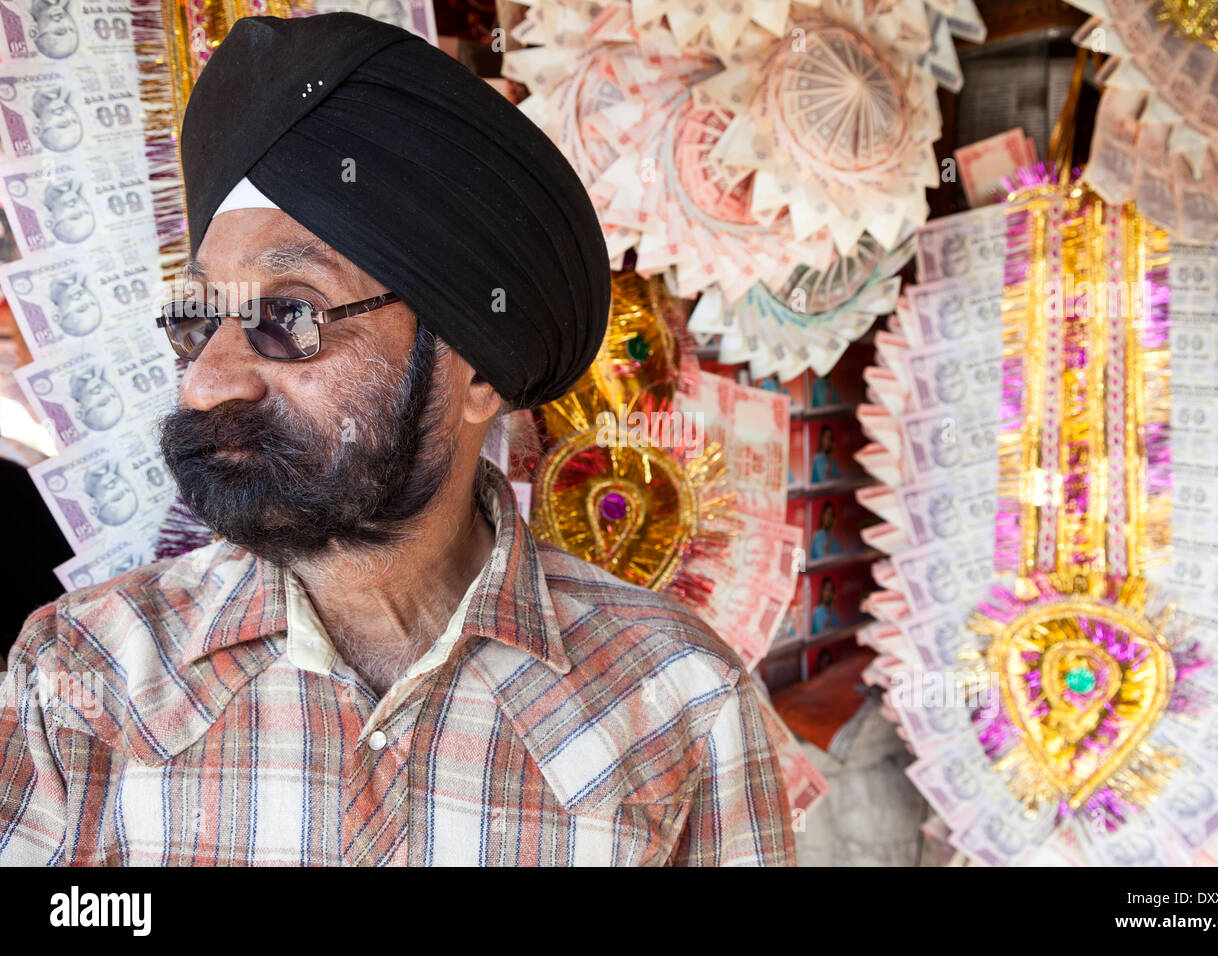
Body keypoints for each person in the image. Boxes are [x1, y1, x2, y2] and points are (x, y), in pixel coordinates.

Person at [0, 13, 793, 867]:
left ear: (474, 369)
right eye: (198, 319)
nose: (206, 382)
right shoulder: (80, 672)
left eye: (289, 314)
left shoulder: (677, 700)